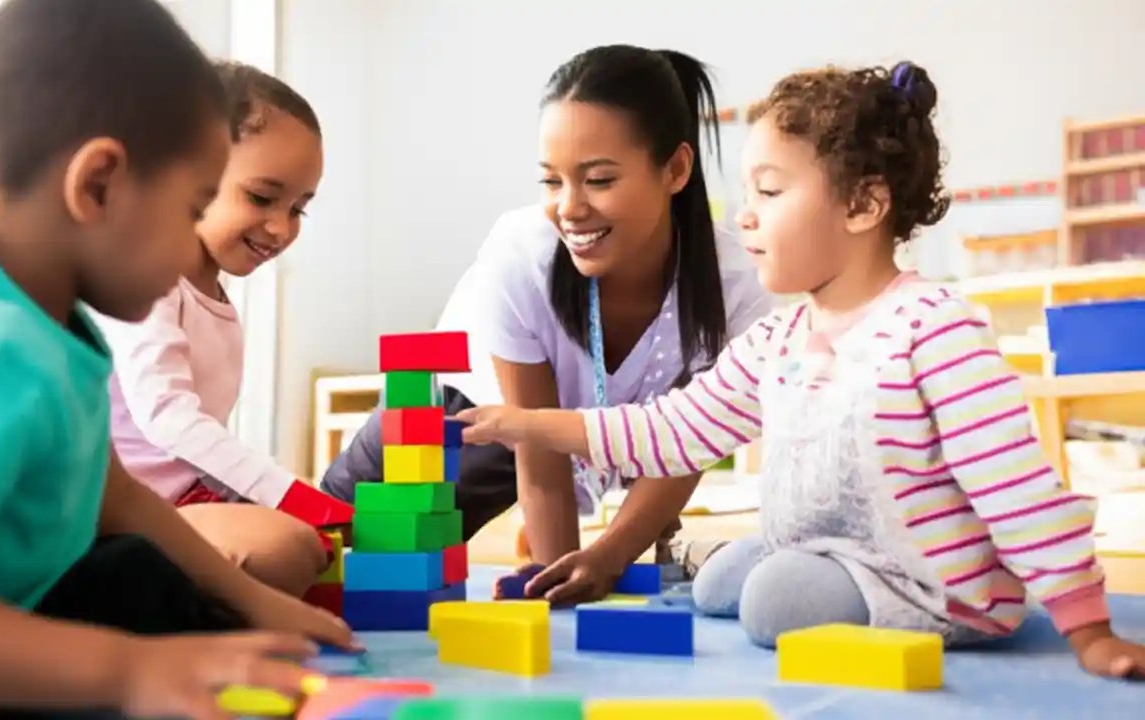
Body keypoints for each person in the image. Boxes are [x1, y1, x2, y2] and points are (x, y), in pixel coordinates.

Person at [454, 60, 1145, 679]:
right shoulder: (778, 338)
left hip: (931, 586)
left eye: (772, 194)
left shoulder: (936, 329)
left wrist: (1088, 629)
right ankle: (793, 562)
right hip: (840, 550)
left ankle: (821, 574)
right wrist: (533, 425)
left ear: (862, 205)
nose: (746, 220)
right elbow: (673, 429)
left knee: (768, 599)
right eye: (747, 197)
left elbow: (1018, 488)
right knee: (721, 579)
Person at [0, 1, 355, 718]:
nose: (195, 248)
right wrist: (127, 671)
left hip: (21, 609)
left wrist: (253, 599)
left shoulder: (49, 321)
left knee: (146, 577)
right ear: (97, 185)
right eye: (191, 210)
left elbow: (113, 493)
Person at [320, 45, 772, 588]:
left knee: (623, 560)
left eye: (599, 180)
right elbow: (539, 461)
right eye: (553, 181)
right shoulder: (522, 254)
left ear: (675, 169)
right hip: (468, 419)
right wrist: (557, 582)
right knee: (328, 555)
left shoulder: (740, 284)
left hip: (622, 435)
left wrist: (604, 559)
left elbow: (690, 439)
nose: (570, 208)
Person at [96, 61, 331, 598]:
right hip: (122, 517)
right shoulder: (148, 279)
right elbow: (169, 421)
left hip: (183, 502)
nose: (281, 227)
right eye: (261, 197)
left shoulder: (212, 294)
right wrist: (290, 494)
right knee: (288, 549)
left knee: (306, 549)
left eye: (299, 209)